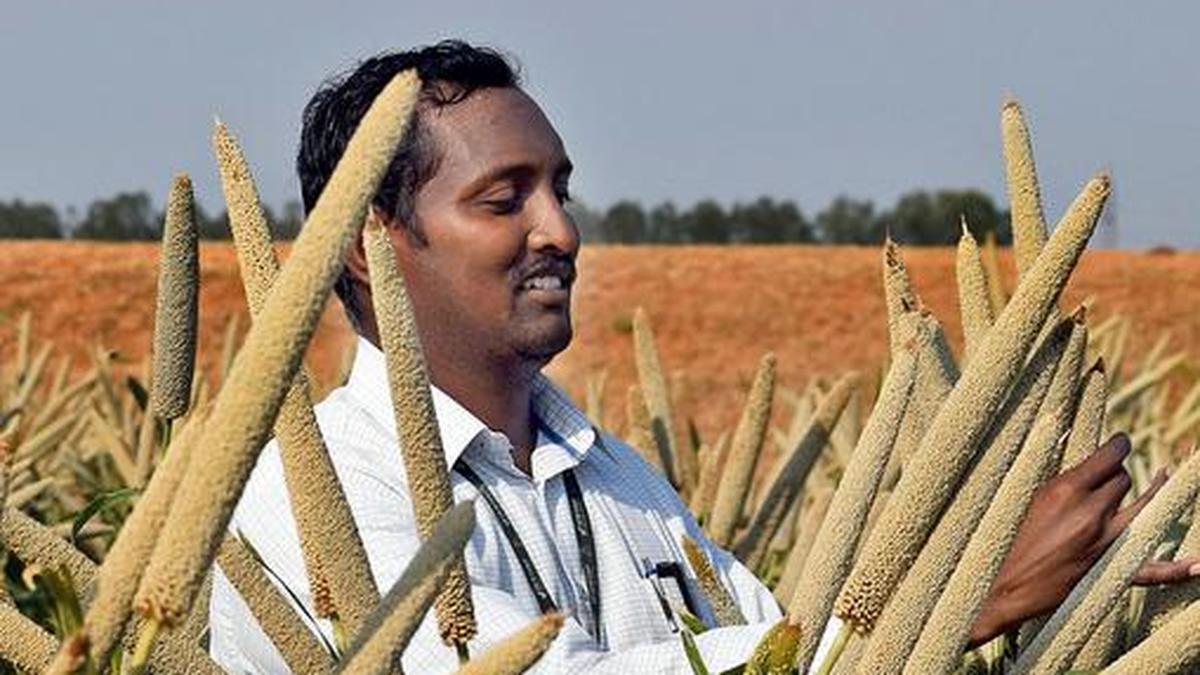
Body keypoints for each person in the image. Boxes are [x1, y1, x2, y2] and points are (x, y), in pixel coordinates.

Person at [208, 41, 1200, 673]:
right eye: (504, 199)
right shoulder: (310, 486)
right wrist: (963, 597)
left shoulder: (614, 475)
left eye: (560, 187)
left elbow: (772, 632)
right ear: (367, 239)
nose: (560, 228)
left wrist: (1078, 587)